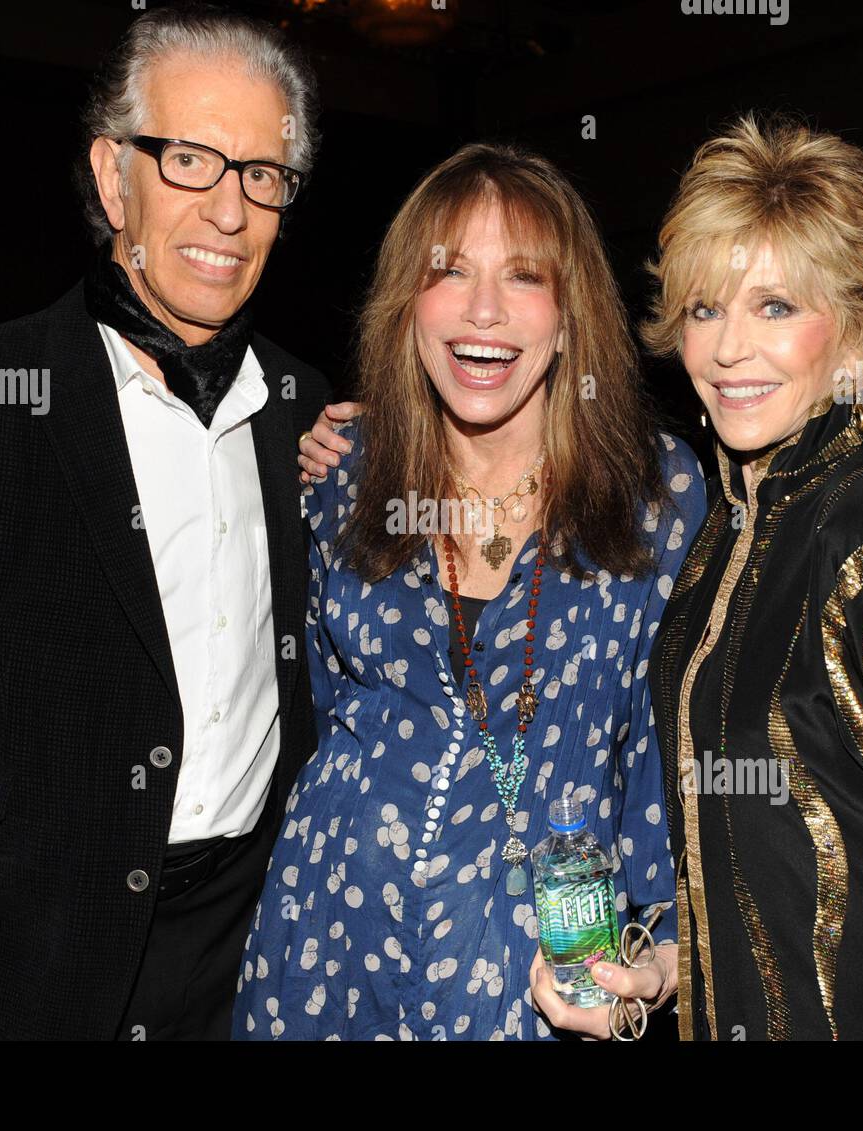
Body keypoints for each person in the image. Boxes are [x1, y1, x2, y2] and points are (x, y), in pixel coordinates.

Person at [0, 4, 327, 1040]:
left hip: (249, 966)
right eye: (189, 159)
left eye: (262, 174)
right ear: (109, 174)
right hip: (13, 980)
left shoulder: (308, 414)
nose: (229, 210)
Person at [558, 114, 863, 1040]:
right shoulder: (727, 534)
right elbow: (757, 864)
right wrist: (664, 971)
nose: (727, 349)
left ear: (858, 334)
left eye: (776, 307)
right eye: (706, 307)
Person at [233, 141, 705, 1040]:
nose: (482, 310)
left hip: (535, 981)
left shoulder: (655, 497)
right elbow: (320, 713)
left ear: (570, 320)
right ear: (408, 306)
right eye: (446, 272)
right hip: (324, 951)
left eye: (525, 277)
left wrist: (658, 955)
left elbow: (663, 755)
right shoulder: (348, 474)